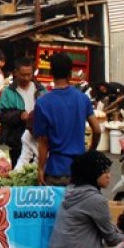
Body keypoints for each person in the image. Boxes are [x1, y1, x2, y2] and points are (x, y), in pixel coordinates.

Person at [48, 151, 124, 248]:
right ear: (92, 173)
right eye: (104, 172)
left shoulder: (71, 190)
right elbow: (111, 239)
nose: (109, 176)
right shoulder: (95, 199)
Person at [34, 53, 101, 186]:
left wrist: (41, 168)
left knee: (58, 207)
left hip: (56, 170)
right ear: (70, 73)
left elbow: (43, 141)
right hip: (79, 170)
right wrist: (91, 150)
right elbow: (97, 130)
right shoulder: (82, 99)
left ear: (51, 72)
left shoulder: (43, 103)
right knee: (78, 206)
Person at [0, 59, 46, 167]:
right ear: (16, 73)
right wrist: (19, 115)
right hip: (17, 141)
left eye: (29, 74)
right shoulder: (8, 92)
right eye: (23, 75)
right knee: (18, 171)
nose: (26, 78)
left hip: (38, 140)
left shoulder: (41, 90)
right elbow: (2, 115)